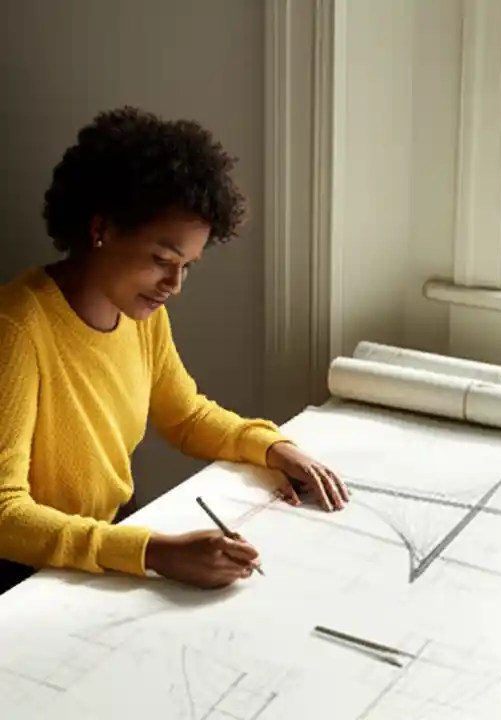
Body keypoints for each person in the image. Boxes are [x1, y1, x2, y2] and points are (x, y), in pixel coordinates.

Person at [0, 106, 349, 594]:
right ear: (100, 229)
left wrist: (274, 448)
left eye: (187, 266)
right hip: (23, 576)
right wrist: (155, 553)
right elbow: (5, 515)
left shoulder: (141, 315)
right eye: (162, 260)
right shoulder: (17, 328)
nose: (174, 285)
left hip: (99, 542)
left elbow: (185, 416)